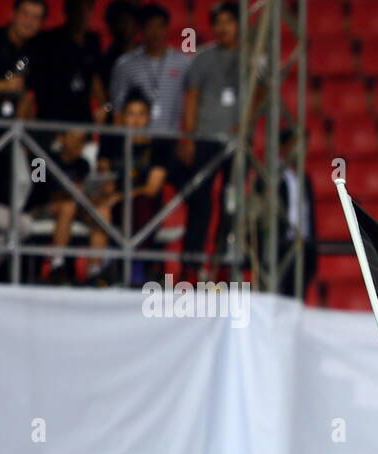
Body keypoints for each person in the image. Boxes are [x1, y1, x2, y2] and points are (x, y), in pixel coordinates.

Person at [180, 1, 239, 278]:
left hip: (236, 144)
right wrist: (189, 137)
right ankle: (191, 264)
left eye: (228, 21)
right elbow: (192, 98)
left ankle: (223, 264)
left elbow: (262, 93)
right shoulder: (202, 59)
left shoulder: (250, 60)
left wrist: (244, 125)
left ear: (239, 25)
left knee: (233, 202)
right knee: (200, 202)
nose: (223, 28)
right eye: (218, 22)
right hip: (205, 139)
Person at [87, 88, 170, 284]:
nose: (136, 120)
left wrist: (120, 196)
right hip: (113, 204)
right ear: (123, 117)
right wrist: (107, 189)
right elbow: (105, 176)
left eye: (141, 114)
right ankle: (96, 271)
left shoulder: (159, 147)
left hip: (143, 208)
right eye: (131, 114)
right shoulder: (111, 143)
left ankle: (136, 269)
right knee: (102, 209)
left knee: (141, 204)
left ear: (148, 118)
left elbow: (151, 188)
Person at [0, 0, 47, 207]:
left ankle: (37, 206)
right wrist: (0, 85)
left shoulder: (37, 50)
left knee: (37, 162)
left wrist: (23, 124)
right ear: (12, 14)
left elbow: (27, 94)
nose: (30, 22)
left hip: (12, 128)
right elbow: (8, 86)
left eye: (36, 17)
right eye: (25, 14)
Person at [109, 3, 191, 135]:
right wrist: (121, 143)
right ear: (141, 29)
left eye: (160, 26)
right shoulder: (125, 64)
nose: (155, 32)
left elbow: (191, 102)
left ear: (167, 28)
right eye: (150, 26)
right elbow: (118, 109)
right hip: (136, 140)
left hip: (170, 140)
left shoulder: (183, 63)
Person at [28, 128, 91, 282]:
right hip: (43, 207)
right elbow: (38, 191)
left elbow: (86, 192)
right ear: (61, 139)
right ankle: (57, 262)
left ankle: (96, 271)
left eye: (82, 140)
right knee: (67, 206)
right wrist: (64, 192)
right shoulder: (41, 159)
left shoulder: (83, 164)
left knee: (98, 211)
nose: (78, 144)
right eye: (74, 138)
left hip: (75, 208)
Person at [30, 0, 104, 124]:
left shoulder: (93, 41)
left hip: (82, 118)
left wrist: (105, 106)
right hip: (52, 117)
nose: (83, 15)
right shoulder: (49, 41)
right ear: (68, 11)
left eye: (87, 10)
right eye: (78, 10)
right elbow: (37, 83)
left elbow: (94, 77)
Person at [276, 128, 317, 297]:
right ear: (283, 148)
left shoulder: (305, 179)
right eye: (295, 145)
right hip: (283, 246)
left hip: (304, 247)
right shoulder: (273, 178)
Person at [96, 0, 139, 115]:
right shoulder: (106, 60)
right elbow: (106, 101)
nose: (124, 26)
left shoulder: (146, 55)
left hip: (144, 122)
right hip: (117, 121)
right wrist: (108, 108)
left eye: (127, 21)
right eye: (119, 21)